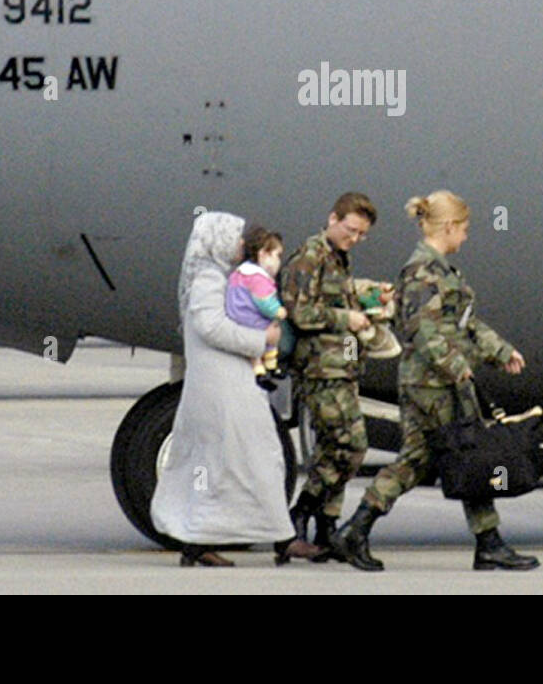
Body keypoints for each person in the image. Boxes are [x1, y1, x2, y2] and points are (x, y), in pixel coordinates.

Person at [331, 191, 540, 572]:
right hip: (433, 386)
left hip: (434, 382)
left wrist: (500, 351)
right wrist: (455, 366)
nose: (466, 236)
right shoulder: (423, 273)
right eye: (464, 228)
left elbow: (464, 323)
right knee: (464, 453)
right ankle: (486, 542)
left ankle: (357, 529)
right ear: (448, 227)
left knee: (435, 458)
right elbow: (423, 332)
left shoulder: (438, 271)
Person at [150, 212, 323, 566]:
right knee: (242, 461)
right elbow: (212, 328)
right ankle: (215, 540)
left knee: (249, 460)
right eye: (235, 237)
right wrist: (263, 339)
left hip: (229, 384)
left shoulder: (218, 277)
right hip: (222, 389)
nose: (242, 244)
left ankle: (262, 537)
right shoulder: (208, 281)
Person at [280, 192, 390, 556]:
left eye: (361, 234)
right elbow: (299, 312)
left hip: (340, 367)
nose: (354, 238)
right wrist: (348, 319)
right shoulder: (308, 258)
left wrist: (373, 300)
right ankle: (300, 515)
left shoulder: (337, 259)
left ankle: (325, 528)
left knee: (331, 447)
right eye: (351, 230)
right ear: (332, 219)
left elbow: (339, 301)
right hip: (320, 370)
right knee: (352, 446)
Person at [225, 225, 288, 389]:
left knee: (257, 349)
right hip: (252, 320)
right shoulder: (258, 278)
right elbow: (265, 301)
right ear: (263, 253)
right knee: (274, 333)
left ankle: (259, 368)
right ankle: (269, 366)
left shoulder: (238, 274)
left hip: (237, 317)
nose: (278, 261)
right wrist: (279, 311)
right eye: (277, 255)